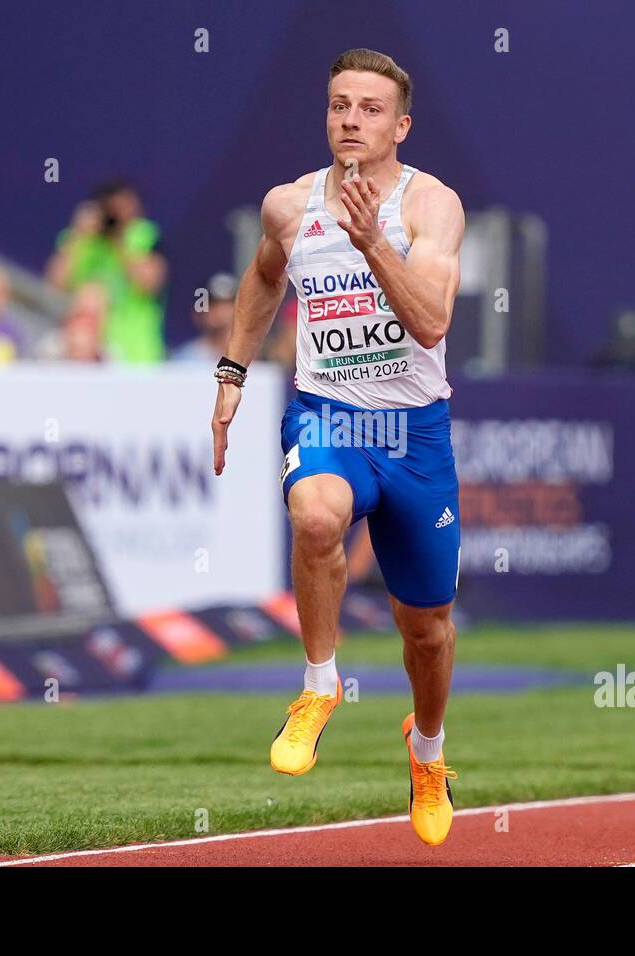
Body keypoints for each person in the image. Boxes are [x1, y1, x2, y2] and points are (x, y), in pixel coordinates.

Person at [210, 49, 465, 846]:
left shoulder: (434, 206)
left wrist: (371, 243)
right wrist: (232, 373)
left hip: (414, 432)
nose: (351, 119)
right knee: (315, 516)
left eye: (369, 108)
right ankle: (319, 686)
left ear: (400, 126)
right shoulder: (289, 205)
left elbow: (430, 322)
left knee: (425, 628)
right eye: (339, 105)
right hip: (331, 414)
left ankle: (427, 751)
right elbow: (262, 278)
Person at [46, 180, 168, 364]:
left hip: (136, 357)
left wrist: (120, 241)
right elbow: (54, 284)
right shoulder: (83, 240)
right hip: (88, 355)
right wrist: (77, 235)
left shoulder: (144, 237)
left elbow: (149, 283)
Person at [170, 273, 236, 363]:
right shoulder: (184, 359)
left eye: (228, 305)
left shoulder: (252, 356)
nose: (221, 313)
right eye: (213, 304)